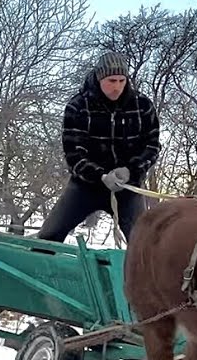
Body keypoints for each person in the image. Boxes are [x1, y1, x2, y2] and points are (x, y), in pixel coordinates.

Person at [36, 52, 161, 243]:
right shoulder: (78, 106)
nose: (117, 87)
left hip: (127, 186)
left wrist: (131, 170)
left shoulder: (142, 106)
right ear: (99, 78)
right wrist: (100, 175)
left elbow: (152, 146)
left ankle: (141, 273)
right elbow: (73, 153)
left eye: (121, 80)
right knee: (49, 235)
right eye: (111, 81)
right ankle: (41, 269)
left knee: (143, 243)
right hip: (86, 185)